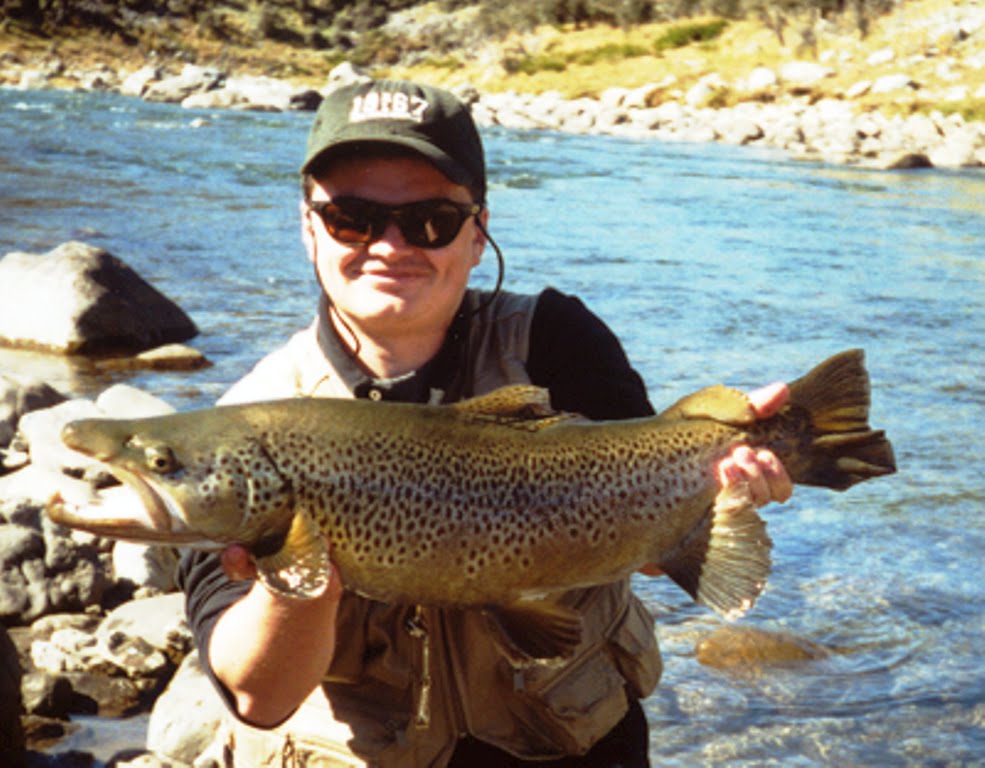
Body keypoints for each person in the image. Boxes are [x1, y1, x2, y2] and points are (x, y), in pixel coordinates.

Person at [177, 79, 792, 768]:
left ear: (478, 234)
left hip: (569, 743)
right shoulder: (232, 436)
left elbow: (640, 546)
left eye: (430, 221)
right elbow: (261, 698)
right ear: (307, 225)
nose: (388, 244)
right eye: (352, 217)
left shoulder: (556, 340)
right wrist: (295, 577)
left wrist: (720, 493)